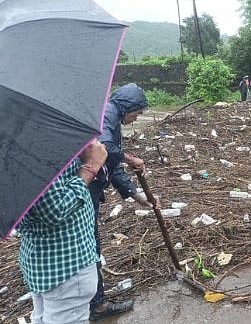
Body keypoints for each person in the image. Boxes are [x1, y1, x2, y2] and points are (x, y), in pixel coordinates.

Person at [88, 84, 157, 321]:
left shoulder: (112, 117)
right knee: (90, 243)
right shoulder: (108, 112)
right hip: (86, 189)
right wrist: (130, 157)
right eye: (137, 113)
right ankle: (96, 305)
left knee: (90, 243)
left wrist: (138, 197)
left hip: (93, 188)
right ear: (128, 107)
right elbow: (106, 149)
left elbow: (112, 166)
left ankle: (93, 299)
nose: (137, 117)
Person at [17, 141, 107, 324]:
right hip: (67, 266)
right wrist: (91, 167)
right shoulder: (37, 148)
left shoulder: (14, 146)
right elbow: (54, 209)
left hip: (44, 261)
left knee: (43, 318)